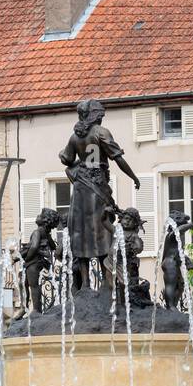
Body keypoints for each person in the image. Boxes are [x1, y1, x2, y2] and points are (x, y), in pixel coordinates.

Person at [59, 99, 141, 292]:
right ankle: (106, 281)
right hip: (97, 187)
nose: (102, 118)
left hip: (80, 189)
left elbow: (68, 159)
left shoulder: (74, 137)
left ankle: (86, 285)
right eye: (100, 115)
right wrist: (134, 177)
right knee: (102, 230)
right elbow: (117, 158)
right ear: (94, 115)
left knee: (81, 233)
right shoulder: (100, 133)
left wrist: (63, 155)